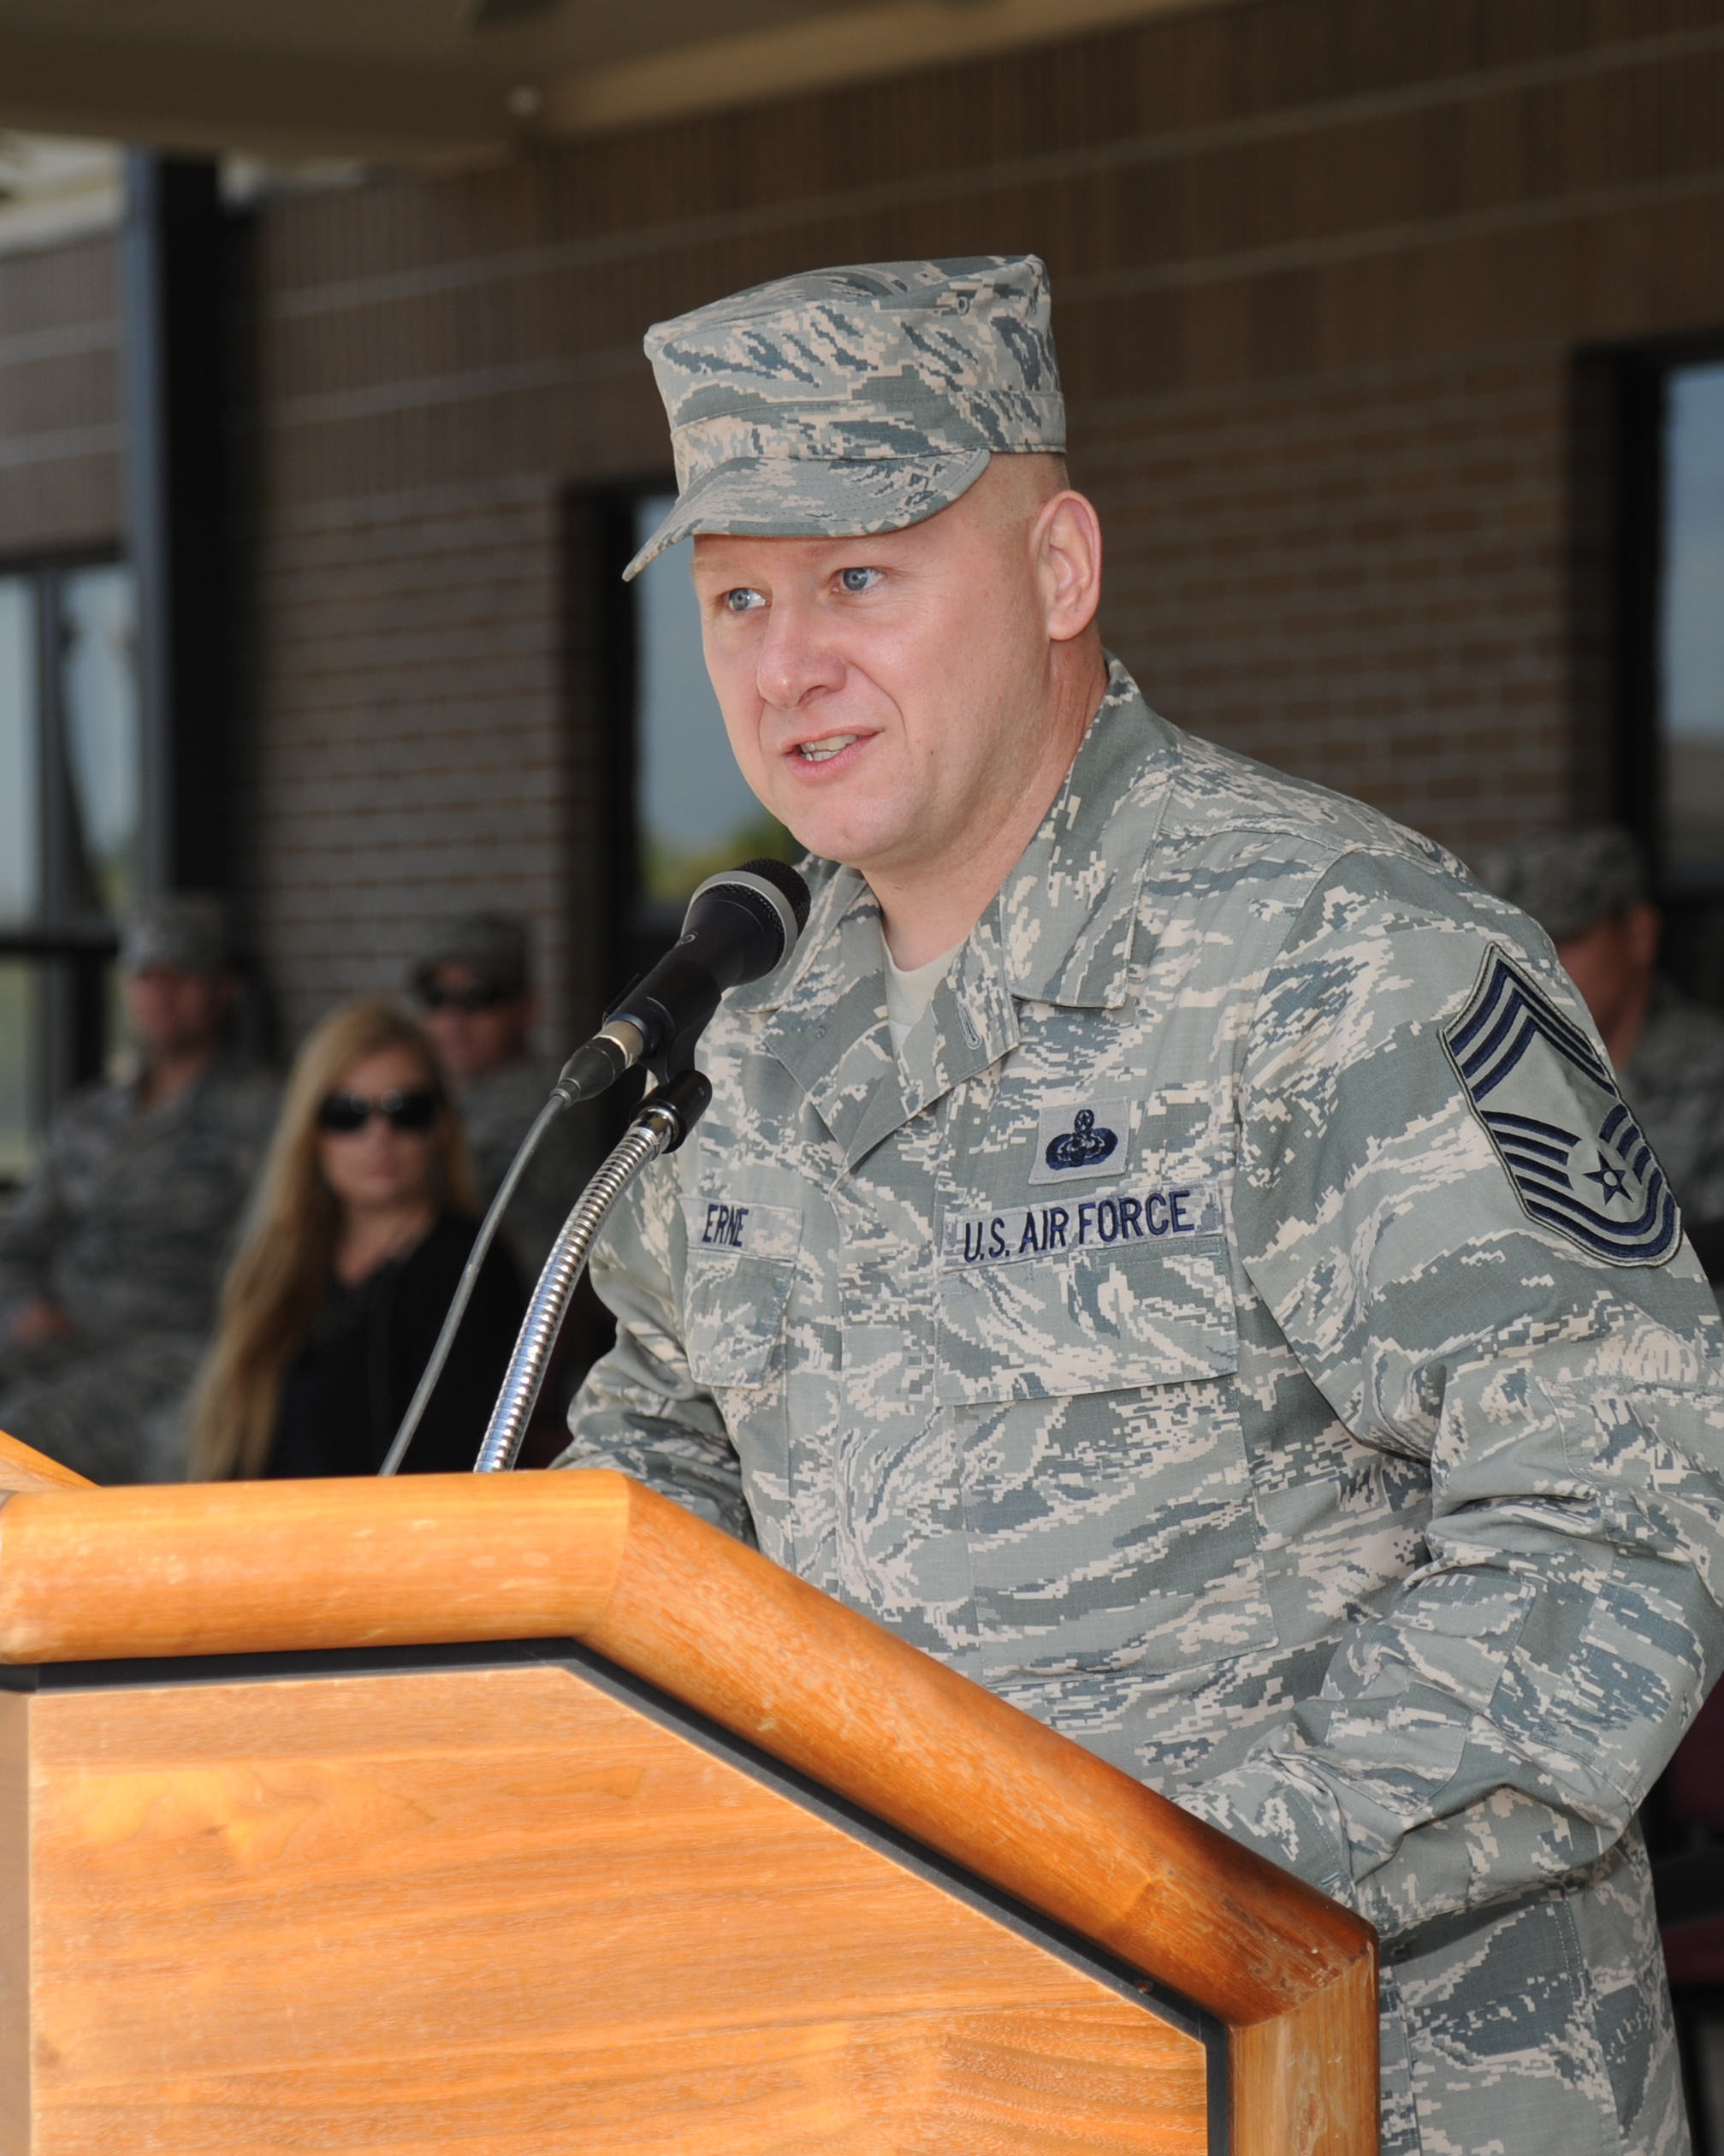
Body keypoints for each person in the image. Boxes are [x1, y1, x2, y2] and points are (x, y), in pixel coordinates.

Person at [552, 256, 1724, 2153]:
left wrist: (1145, 1904)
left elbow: (1617, 1518)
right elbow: (656, 1482)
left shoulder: (1342, 965)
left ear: (1056, 570)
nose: (786, 663)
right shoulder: (742, 1042)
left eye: (859, 576)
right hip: (908, 2081)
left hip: (1362, 2085)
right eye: (736, 598)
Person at [0, 894, 278, 1483]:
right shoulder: (89, 1114)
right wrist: (24, 1305)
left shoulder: (264, 1112)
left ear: (224, 990)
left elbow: (278, 1254)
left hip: (175, 1351)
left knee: (20, 1440)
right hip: (61, 1335)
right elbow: (22, 1236)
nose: (161, 993)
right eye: (146, 976)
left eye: (181, 976)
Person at [187, 998, 524, 1480]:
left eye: (406, 1110)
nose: (378, 1136)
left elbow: (453, 1466)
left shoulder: (473, 1268)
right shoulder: (281, 1259)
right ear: (311, 1130)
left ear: (442, 1126)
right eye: (348, 1113)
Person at [1476, 825, 1724, 1236]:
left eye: (1565, 936)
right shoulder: (1490, 1079)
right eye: (1517, 943)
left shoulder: (1712, 1080)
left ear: (1639, 934)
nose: (1537, 964)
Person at [410, 913, 605, 1284]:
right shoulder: (452, 1103)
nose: (453, 1018)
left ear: (527, 1006)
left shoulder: (546, 1112)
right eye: (435, 997)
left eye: (478, 997)